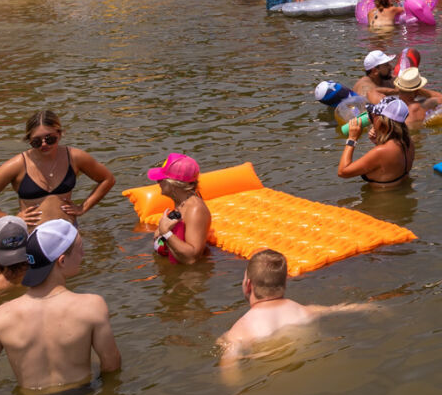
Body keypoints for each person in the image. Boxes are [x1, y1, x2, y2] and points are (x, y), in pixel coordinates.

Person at [0, 220, 120, 395]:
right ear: (61, 260)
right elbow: (111, 366)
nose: (83, 254)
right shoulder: (92, 306)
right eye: (80, 249)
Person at [219, 249, 377, 365]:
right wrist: (375, 308)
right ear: (285, 282)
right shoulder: (305, 310)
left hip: (272, 369)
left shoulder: (240, 330)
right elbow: (343, 308)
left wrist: (223, 343)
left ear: (248, 285)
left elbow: (230, 369)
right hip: (315, 355)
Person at [0, 109, 116, 227]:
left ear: (59, 133)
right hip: (32, 238)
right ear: (29, 140)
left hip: (67, 234)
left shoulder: (75, 157)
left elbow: (107, 179)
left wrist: (83, 207)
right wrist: (10, 220)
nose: (44, 144)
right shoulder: (17, 165)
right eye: (36, 142)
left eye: (50, 139)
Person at [147, 153, 212, 264]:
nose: (157, 182)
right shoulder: (181, 202)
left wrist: (165, 232)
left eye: (161, 179)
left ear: (174, 184)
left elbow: (192, 258)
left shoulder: (195, 210)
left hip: (190, 278)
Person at [337, 97, 413, 185]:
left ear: (382, 121)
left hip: (381, 197)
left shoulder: (380, 152)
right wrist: (378, 142)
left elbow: (342, 172)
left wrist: (352, 139)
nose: (371, 117)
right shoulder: (408, 142)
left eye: (374, 114)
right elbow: (387, 166)